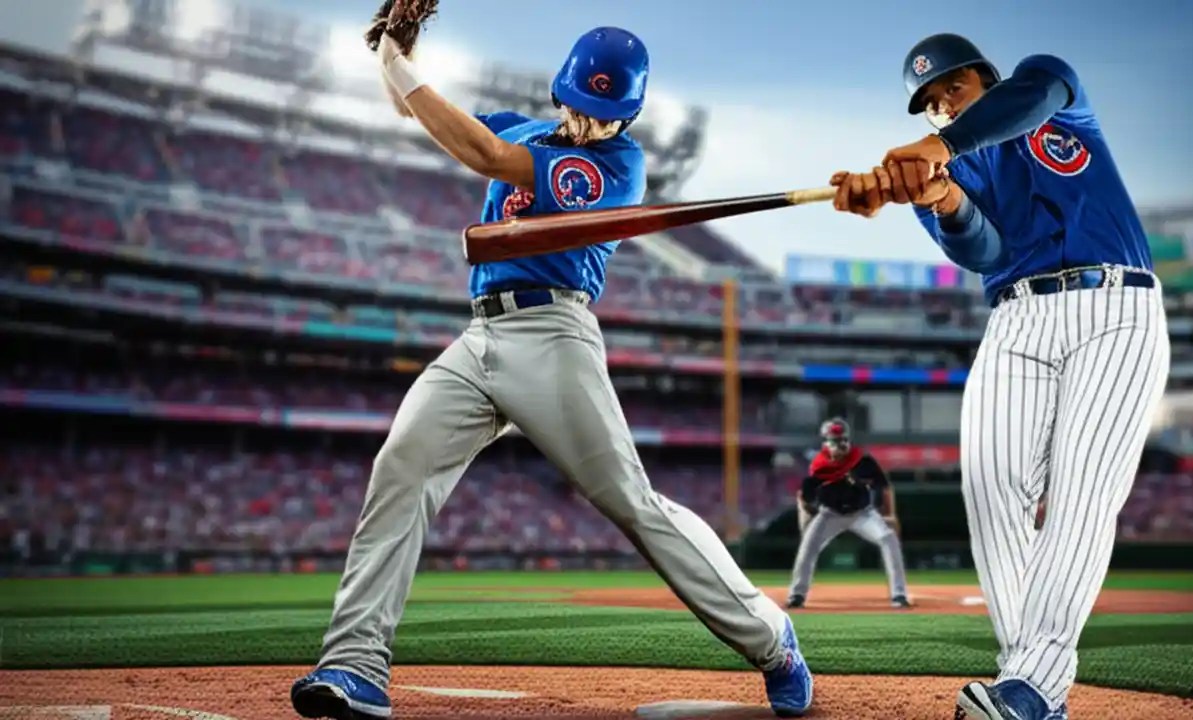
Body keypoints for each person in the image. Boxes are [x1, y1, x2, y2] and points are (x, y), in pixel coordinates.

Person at [288, 25, 812, 720]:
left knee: (631, 502)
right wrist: (397, 57)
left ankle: (772, 641)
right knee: (401, 469)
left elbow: (483, 154)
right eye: (578, 103)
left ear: (628, 114)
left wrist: (390, 61)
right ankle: (355, 664)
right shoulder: (528, 128)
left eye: (606, 111)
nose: (588, 119)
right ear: (559, 89)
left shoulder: (618, 165)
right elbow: (412, 110)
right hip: (480, 334)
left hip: (554, 336)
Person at [828, 33, 1170, 720]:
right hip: (1016, 318)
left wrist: (940, 149)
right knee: (989, 487)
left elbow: (1030, 98)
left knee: (1080, 492)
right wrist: (939, 196)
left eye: (952, 88)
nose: (943, 106)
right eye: (929, 106)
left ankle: (1033, 689)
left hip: (1117, 308)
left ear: (983, 77)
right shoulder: (957, 164)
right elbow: (986, 250)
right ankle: (1031, 687)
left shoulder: (1046, 89)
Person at [787, 417, 910, 610]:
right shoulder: (818, 466)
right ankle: (797, 594)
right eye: (835, 440)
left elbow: (883, 487)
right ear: (826, 443)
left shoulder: (862, 460)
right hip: (830, 514)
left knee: (888, 538)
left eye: (843, 439)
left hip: (862, 513)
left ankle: (899, 594)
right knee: (808, 546)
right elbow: (804, 498)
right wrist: (806, 519)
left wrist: (890, 514)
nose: (841, 444)